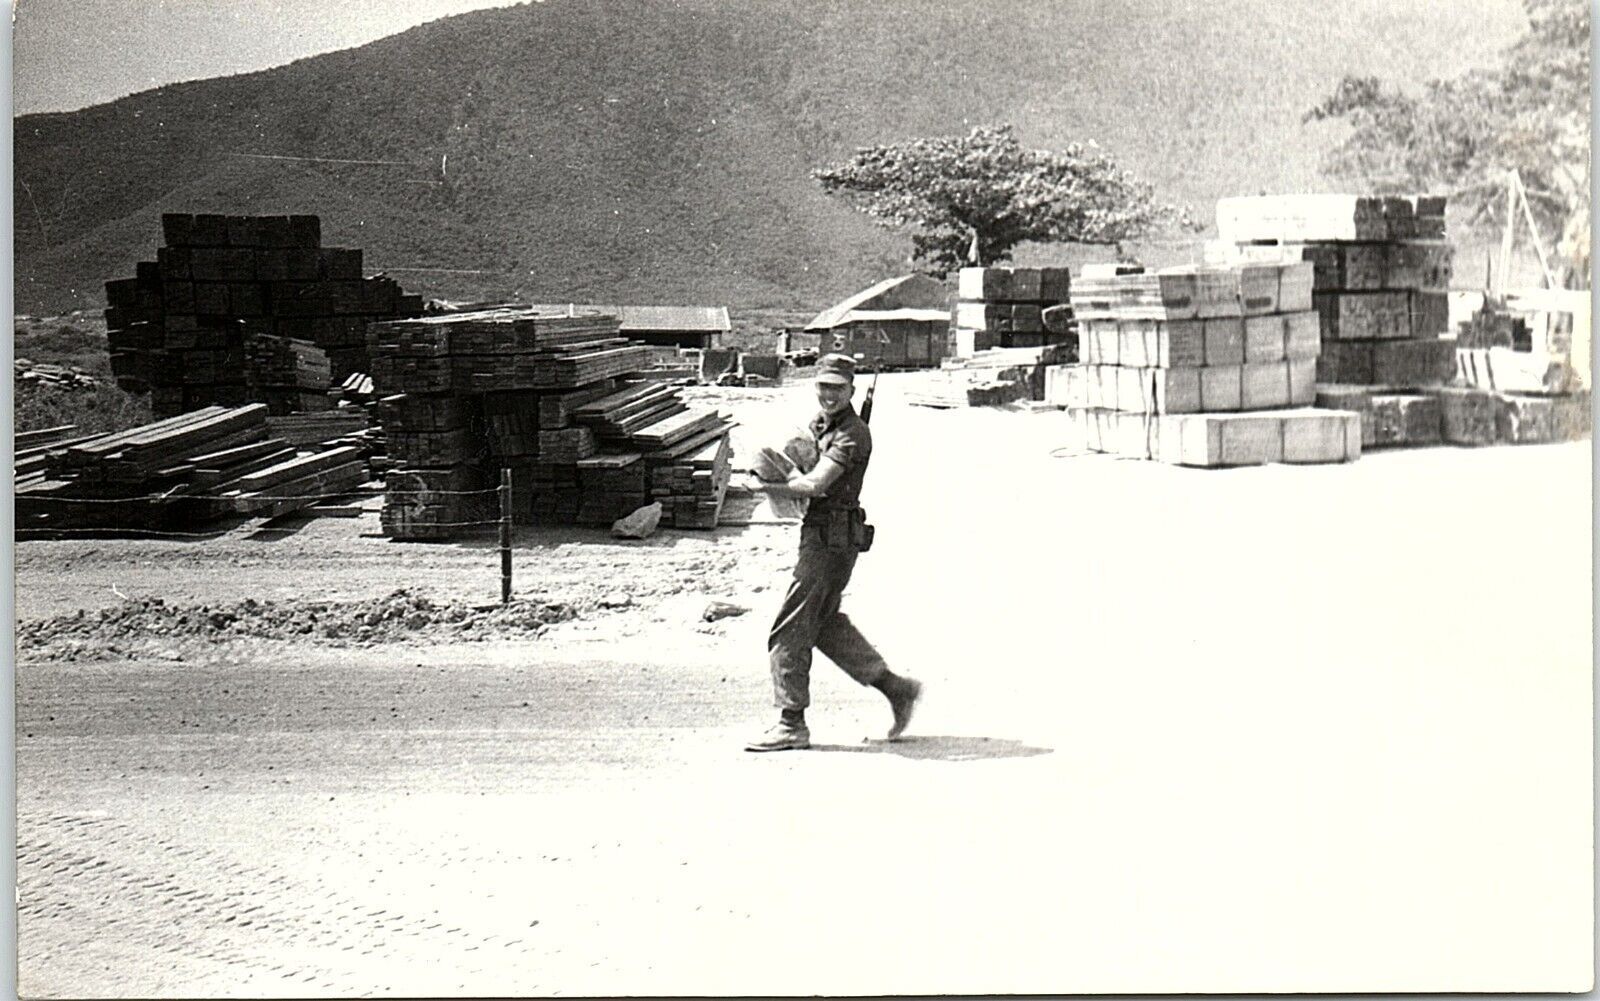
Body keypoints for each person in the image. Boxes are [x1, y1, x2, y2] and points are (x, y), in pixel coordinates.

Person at [745, 353, 921, 752]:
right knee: (822, 624)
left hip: (831, 540)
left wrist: (766, 487)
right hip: (826, 536)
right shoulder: (826, 426)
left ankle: (791, 723)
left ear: (851, 391)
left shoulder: (852, 434)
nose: (828, 394)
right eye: (822, 386)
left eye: (836, 388)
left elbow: (815, 486)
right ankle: (896, 688)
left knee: (790, 629)